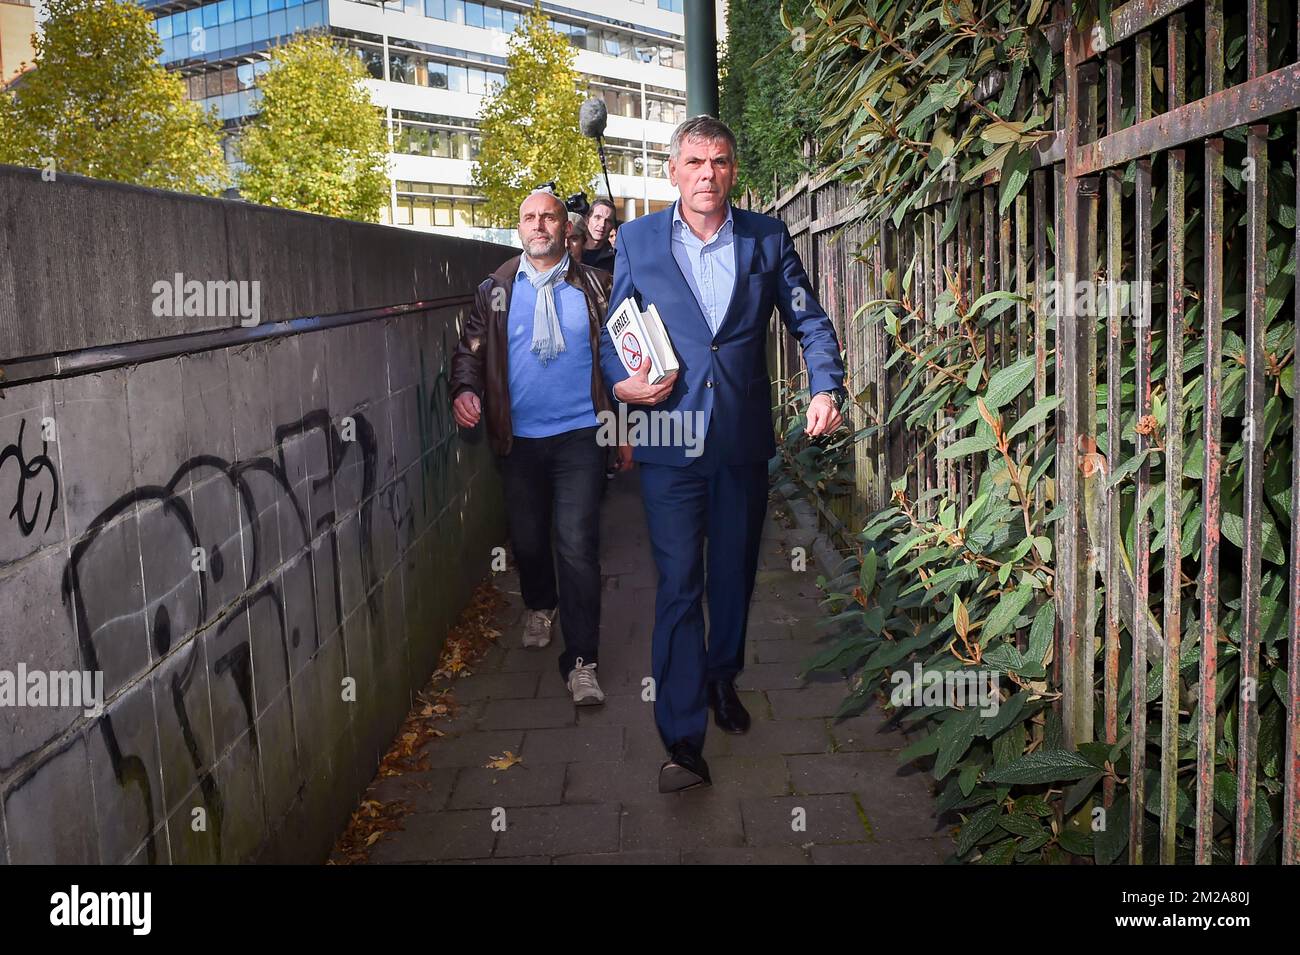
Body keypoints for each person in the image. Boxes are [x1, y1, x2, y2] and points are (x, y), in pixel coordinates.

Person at [598, 116, 847, 792]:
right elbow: (614, 330)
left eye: (720, 161)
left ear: (732, 171)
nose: (708, 173)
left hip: (740, 444)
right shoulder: (640, 240)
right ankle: (681, 739)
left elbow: (809, 317)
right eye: (696, 161)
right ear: (673, 170)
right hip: (667, 445)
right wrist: (621, 384)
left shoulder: (767, 237)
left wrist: (827, 382)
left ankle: (721, 677)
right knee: (679, 584)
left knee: (732, 578)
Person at [450, 188, 614, 706]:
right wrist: (465, 390)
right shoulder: (495, 288)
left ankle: (582, 662)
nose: (539, 225)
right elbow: (469, 350)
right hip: (517, 439)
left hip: (582, 437)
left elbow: (621, 354)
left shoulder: (596, 286)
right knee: (527, 538)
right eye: (529, 218)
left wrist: (628, 422)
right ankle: (541, 604)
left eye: (549, 217)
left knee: (577, 545)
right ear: (518, 228)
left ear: (566, 228)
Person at [582, 197, 617, 273]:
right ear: (586, 220)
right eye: (597, 218)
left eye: (608, 221)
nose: (602, 224)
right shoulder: (572, 252)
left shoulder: (616, 258)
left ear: (612, 226)